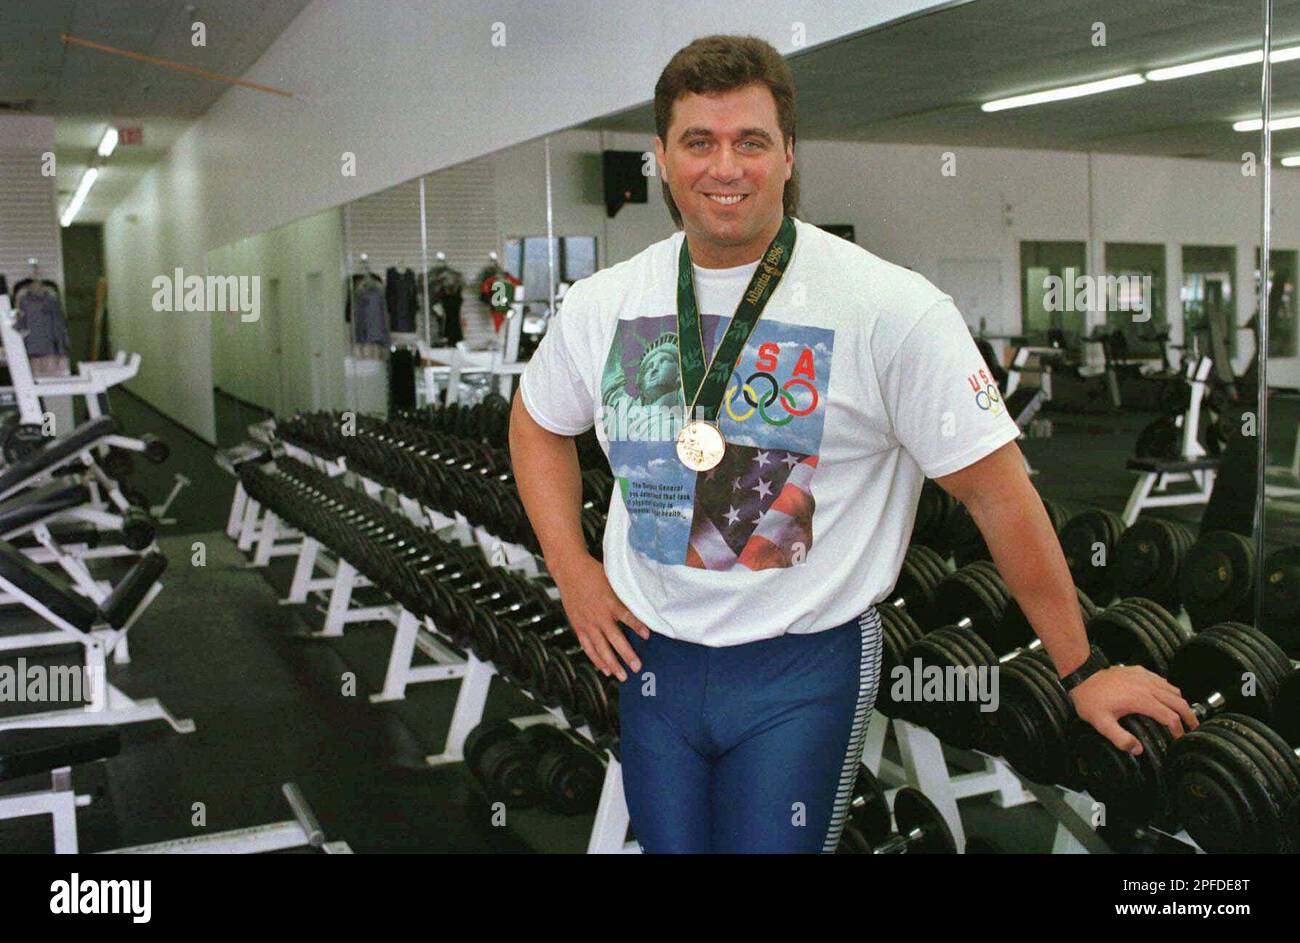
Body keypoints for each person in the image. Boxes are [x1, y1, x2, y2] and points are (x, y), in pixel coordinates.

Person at [509, 34, 1195, 853]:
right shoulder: (604, 302)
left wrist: (1080, 669)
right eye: (699, 142)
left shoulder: (889, 309)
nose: (724, 166)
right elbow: (537, 421)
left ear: (789, 155)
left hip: (803, 670)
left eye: (750, 142)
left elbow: (997, 491)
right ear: (661, 157)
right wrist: (571, 568)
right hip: (653, 664)